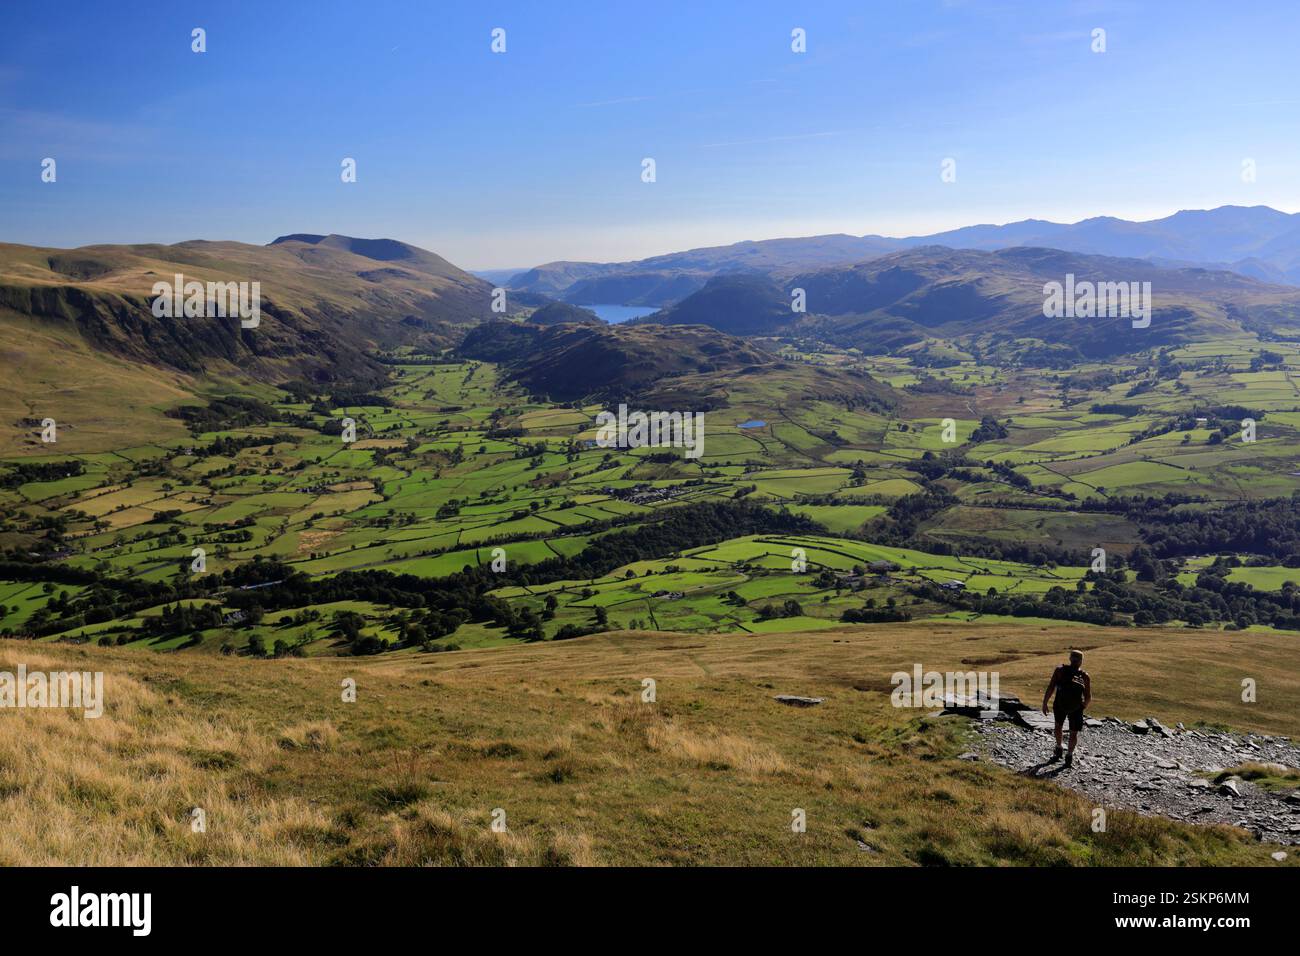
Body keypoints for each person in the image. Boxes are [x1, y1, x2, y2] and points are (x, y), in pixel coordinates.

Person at [1041, 649, 1091, 766]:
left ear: (1070, 658)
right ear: (1081, 661)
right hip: (1076, 707)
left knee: (1058, 726)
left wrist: (1045, 703)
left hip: (1059, 704)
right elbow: (1088, 696)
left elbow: (1051, 687)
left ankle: (1059, 748)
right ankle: (1069, 756)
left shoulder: (1060, 670)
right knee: (1073, 733)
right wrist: (1082, 706)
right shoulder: (1084, 676)